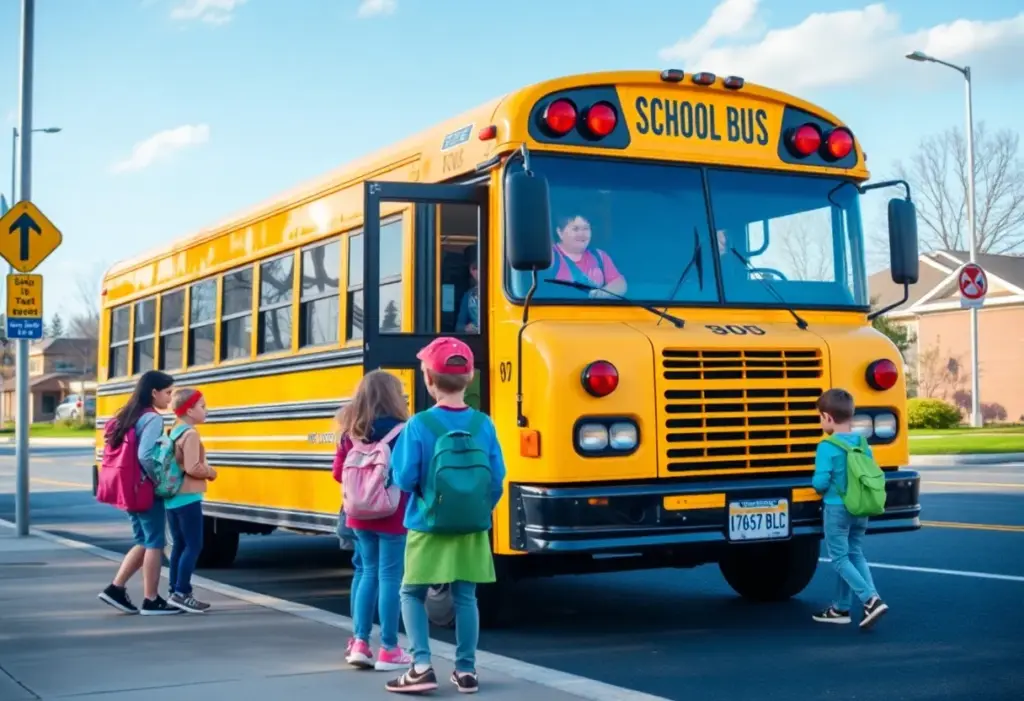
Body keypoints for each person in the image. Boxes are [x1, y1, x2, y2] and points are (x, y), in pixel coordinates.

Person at [384, 337, 506, 695]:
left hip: (427, 523)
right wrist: (477, 508)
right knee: (466, 597)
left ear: (427, 379)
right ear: (469, 377)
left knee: (412, 593)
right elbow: (497, 478)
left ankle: (421, 666)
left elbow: (404, 477)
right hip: (472, 526)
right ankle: (466, 671)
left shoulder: (419, 424)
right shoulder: (484, 424)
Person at [332, 370, 413, 672]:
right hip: (392, 514)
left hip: (359, 515)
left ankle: (359, 643)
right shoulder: (403, 431)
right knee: (390, 577)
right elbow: (408, 474)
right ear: (394, 397)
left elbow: (338, 473)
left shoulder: (351, 431)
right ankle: (389, 649)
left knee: (366, 572)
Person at [97, 369, 180, 616]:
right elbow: (145, 455)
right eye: (168, 393)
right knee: (155, 543)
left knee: (143, 541)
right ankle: (151, 600)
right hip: (144, 490)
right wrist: (158, 480)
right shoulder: (153, 418)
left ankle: (116, 588)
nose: (170, 398)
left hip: (128, 489)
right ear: (154, 392)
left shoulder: (128, 415)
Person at [811, 388, 889, 628]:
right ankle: (841, 608)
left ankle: (870, 599)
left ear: (828, 417)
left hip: (837, 509)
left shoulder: (826, 446)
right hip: (860, 508)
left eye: (820, 417)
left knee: (839, 559)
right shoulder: (863, 444)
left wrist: (817, 488)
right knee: (855, 554)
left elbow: (820, 482)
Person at [165, 388, 218, 613]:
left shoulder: (174, 431)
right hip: (188, 497)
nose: (206, 410)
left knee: (179, 544)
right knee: (194, 545)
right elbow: (193, 467)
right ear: (189, 410)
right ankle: (182, 592)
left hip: (172, 497)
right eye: (202, 406)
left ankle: (174, 591)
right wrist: (211, 472)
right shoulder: (191, 434)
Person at [550, 214, 626, 298]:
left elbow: (619, 283)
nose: (582, 234)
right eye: (575, 229)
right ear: (560, 232)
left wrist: (601, 295)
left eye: (586, 228)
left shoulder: (599, 256)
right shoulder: (550, 256)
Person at [455, 245, 479, 333]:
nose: (477, 271)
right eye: (474, 268)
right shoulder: (468, 296)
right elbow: (459, 326)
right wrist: (467, 328)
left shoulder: (502, 293)